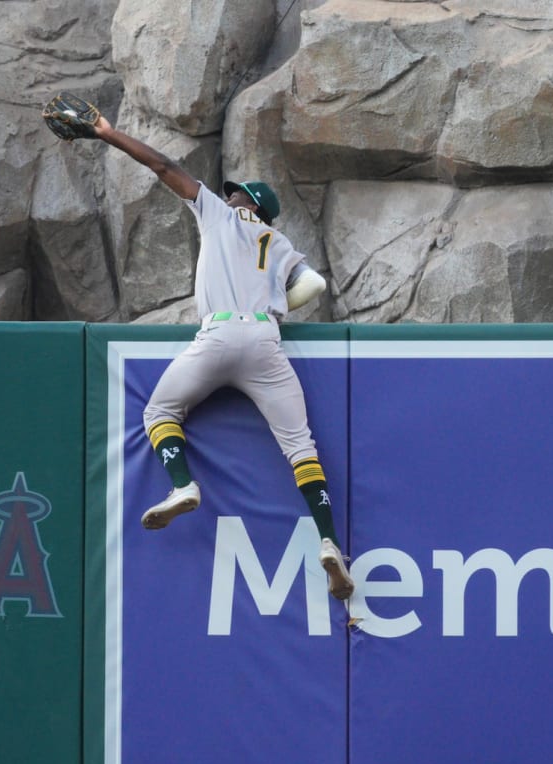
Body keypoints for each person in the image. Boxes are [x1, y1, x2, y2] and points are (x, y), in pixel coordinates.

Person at [91, 112, 355, 602]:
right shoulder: (279, 243)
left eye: (236, 192)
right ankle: (329, 541)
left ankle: (183, 486)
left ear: (246, 204)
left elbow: (164, 165)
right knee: (301, 449)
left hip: (217, 336)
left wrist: (109, 135)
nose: (228, 193)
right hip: (265, 343)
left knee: (160, 411)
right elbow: (314, 285)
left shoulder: (221, 214)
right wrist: (274, 309)